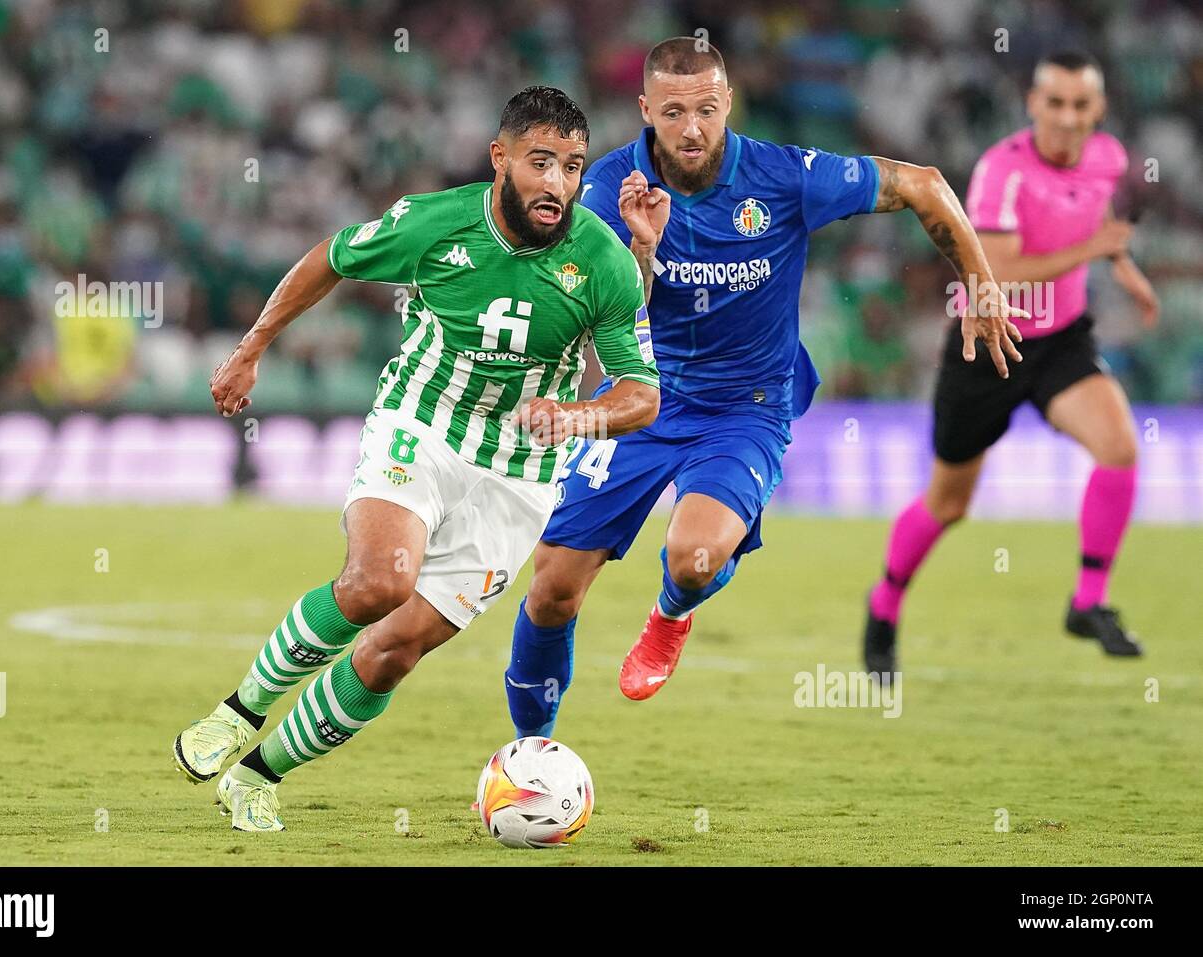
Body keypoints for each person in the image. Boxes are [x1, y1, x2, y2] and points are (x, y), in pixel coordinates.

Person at [504, 37, 1025, 738]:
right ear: (645, 109)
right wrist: (641, 250)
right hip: (641, 400)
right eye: (675, 112)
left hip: (744, 408)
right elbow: (602, 315)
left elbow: (924, 184)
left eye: (708, 110)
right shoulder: (603, 190)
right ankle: (531, 749)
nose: (693, 128)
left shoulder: (785, 176)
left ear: (729, 104)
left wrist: (982, 283)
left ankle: (672, 614)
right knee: (553, 587)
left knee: (692, 559)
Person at [172, 86, 661, 831]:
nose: (557, 183)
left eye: (572, 166)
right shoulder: (435, 223)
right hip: (423, 422)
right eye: (540, 162)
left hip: (519, 471)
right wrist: (251, 349)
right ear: (500, 158)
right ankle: (238, 712)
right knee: (378, 583)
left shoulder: (603, 260)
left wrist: (576, 415)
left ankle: (257, 775)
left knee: (396, 649)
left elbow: (641, 394)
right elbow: (331, 258)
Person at [863, 51, 1158, 674]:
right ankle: (884, 604)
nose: (1069, 118)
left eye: (1081, 105)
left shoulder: (1109, 158)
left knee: (1120, 447)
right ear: (1033, 105)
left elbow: (1101, 225)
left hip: (1061, 342)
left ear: (1097, 111)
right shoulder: (1003, 170)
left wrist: (1124, 269)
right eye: (1056, 103)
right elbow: (1000, 273)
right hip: (986, 345)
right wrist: (1094, 249)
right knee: (948, 505)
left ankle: (1089, 602)